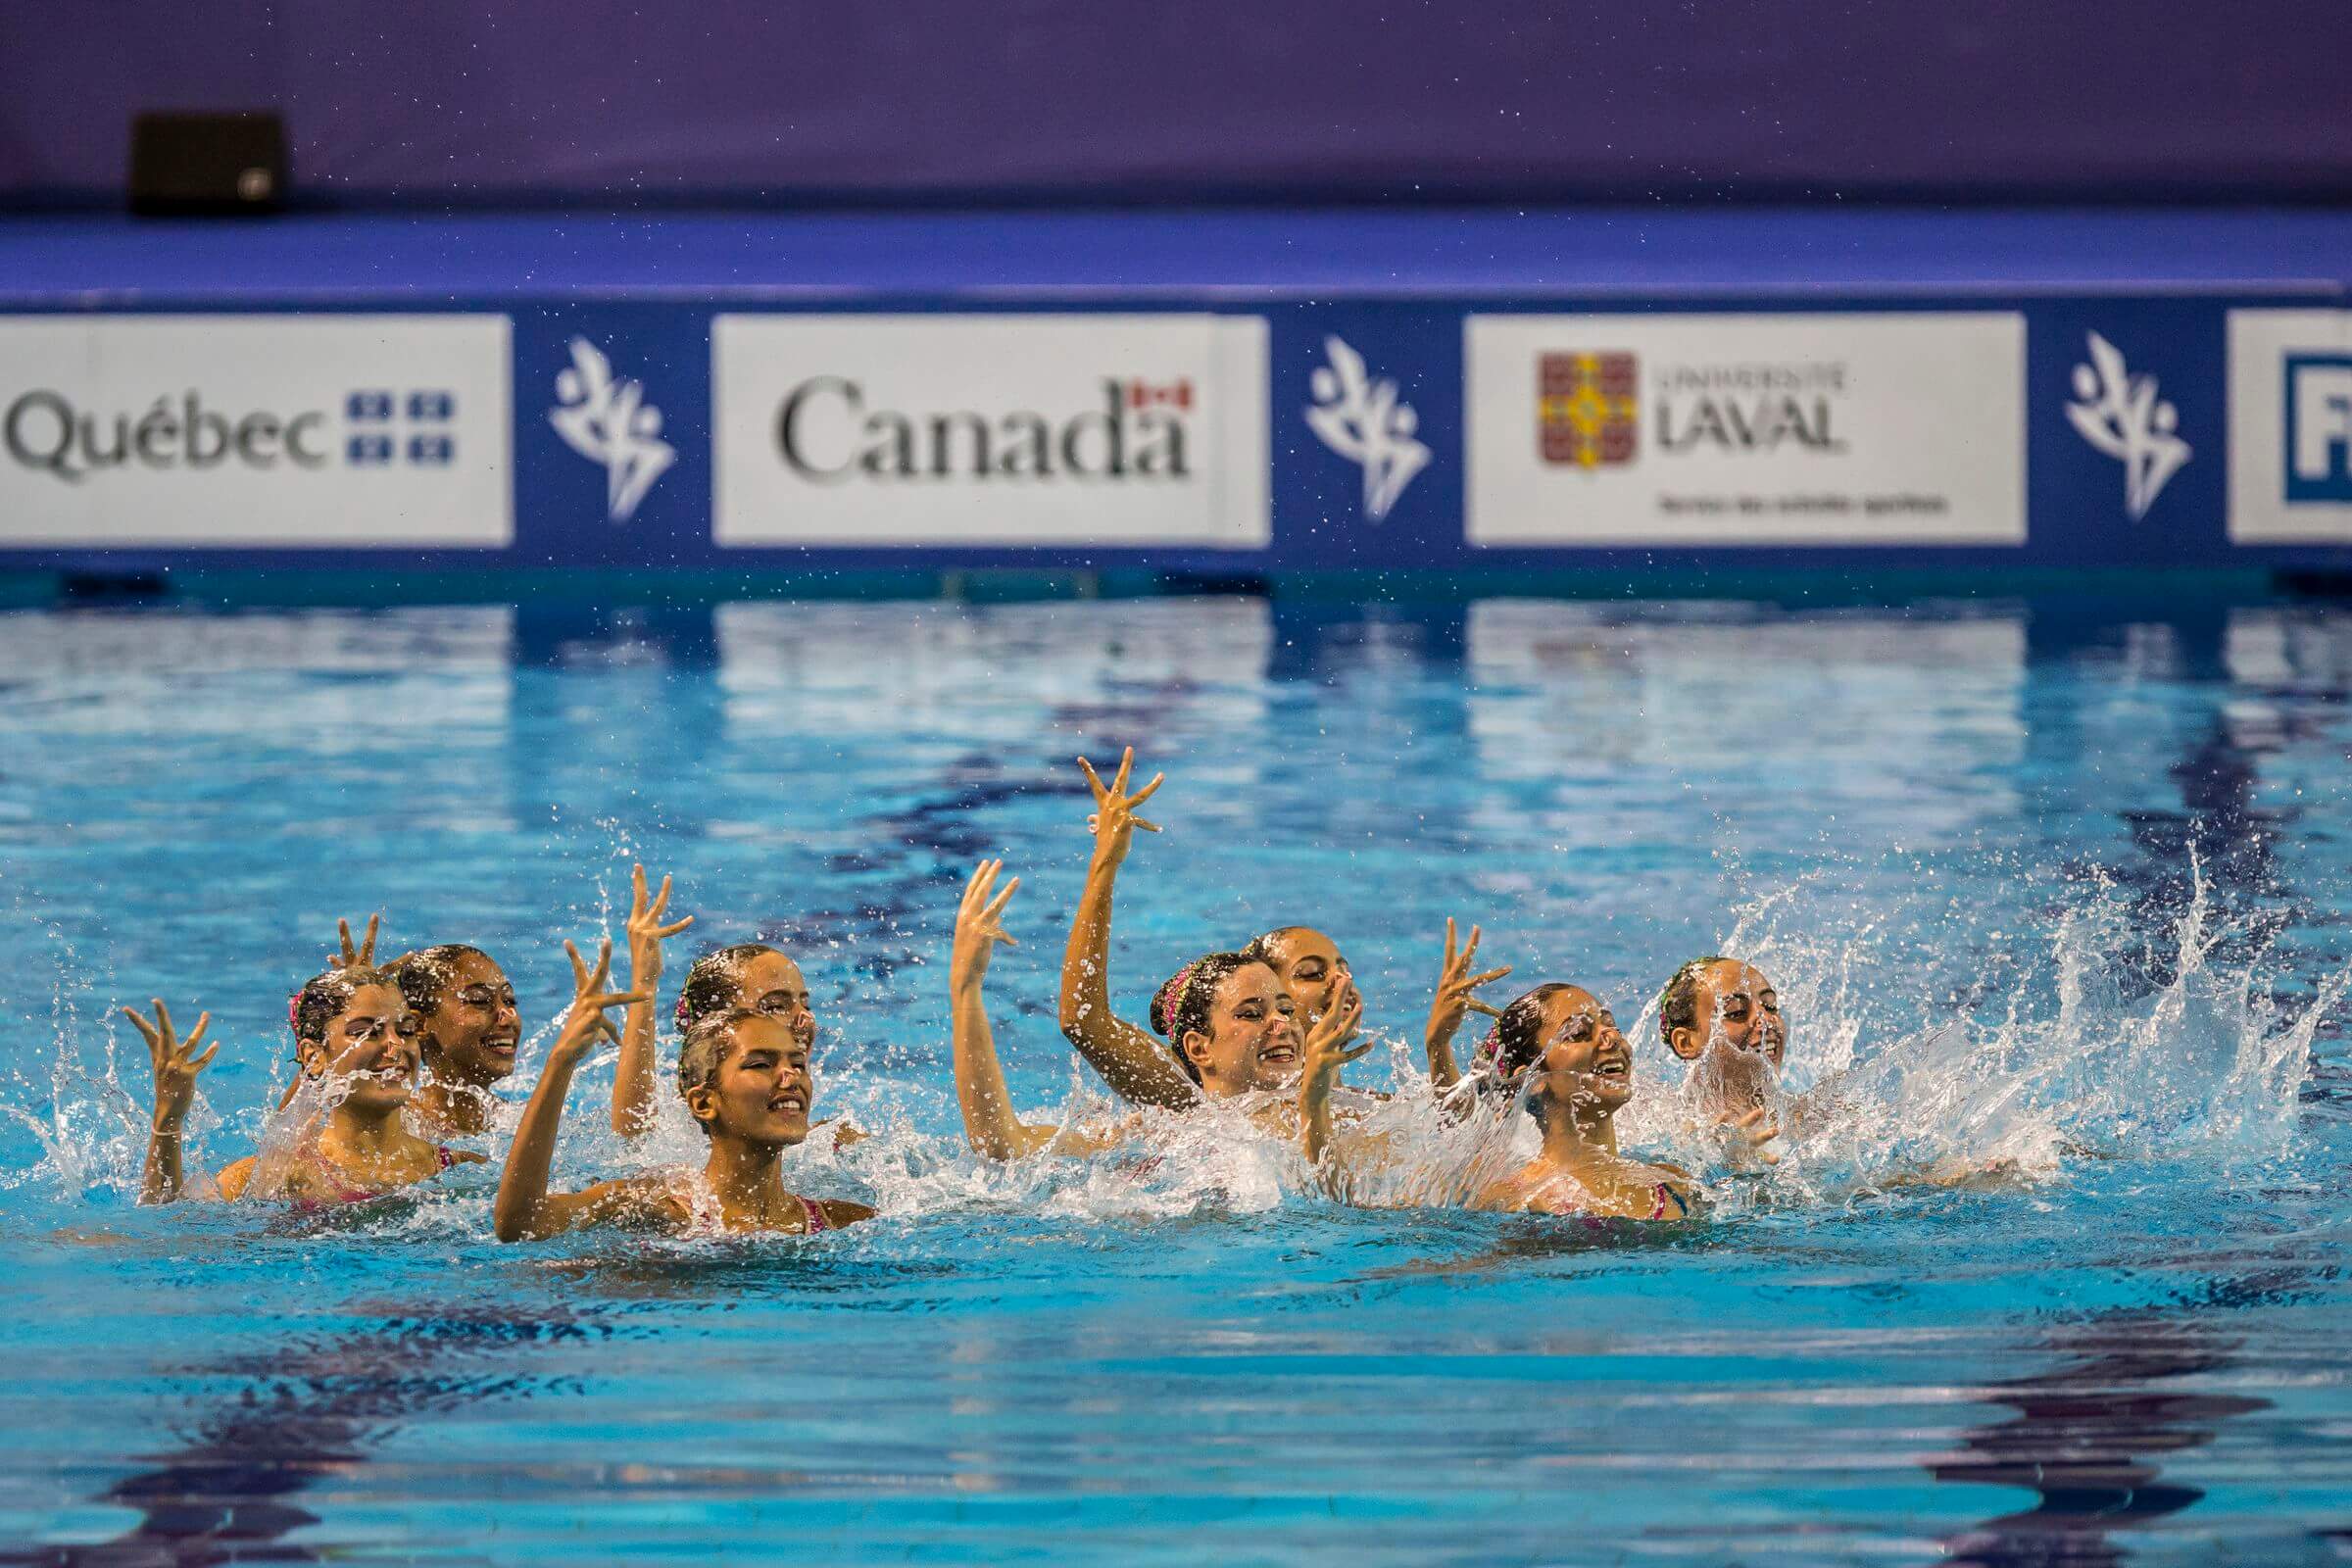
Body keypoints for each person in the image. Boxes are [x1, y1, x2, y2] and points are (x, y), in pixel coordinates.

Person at [130, 959, 573, 1206]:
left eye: (404, 1030)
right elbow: (169, 1225)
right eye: (366, 1031)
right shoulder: (277, 1177)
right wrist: (168, 1120)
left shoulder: (461, 1169)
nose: (394, 1047)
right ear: (312, 1057)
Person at [493, 998, 875, 1240]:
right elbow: (522, 1223)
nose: (790, 1076)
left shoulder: (841, 1220)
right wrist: (561, 1063)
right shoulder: (665, 1209)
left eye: (797, 1064)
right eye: (760, 1064)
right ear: (704, 1103)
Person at [1457, 984, 1695, 1220]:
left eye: (1612, 1026)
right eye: (1579, 1033)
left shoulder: (1673, 1185)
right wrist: (1437, 1047)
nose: (1611, 1038)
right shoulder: (1519, 1199)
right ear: (1532, 1080)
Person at [949, 858, 1127, 1159]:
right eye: (1239, 1013)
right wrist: (964, 988)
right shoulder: (1130, 1137)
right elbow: (1000, 1145)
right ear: (1198, 1047)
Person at [1658, 956, 1788, 1161]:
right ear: (1686, 1042)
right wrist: (1720, 1167)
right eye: (1736, 1012)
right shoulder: (1678, 1140)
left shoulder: (1812, 1120)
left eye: (1770, 1006)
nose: (1765, 1019)